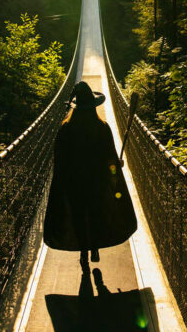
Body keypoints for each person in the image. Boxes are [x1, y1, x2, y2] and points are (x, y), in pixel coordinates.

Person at [43, 81, 137, 268]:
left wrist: (61, 183)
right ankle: (94, 246)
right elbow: (110, 158)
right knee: (95, 213)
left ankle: (84, 251)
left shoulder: (65, 130)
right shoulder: (102, 128)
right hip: (97, 181)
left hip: (73, 183)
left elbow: (59, 159)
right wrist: (116, 169)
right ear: (93, 107)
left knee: (78, 215)